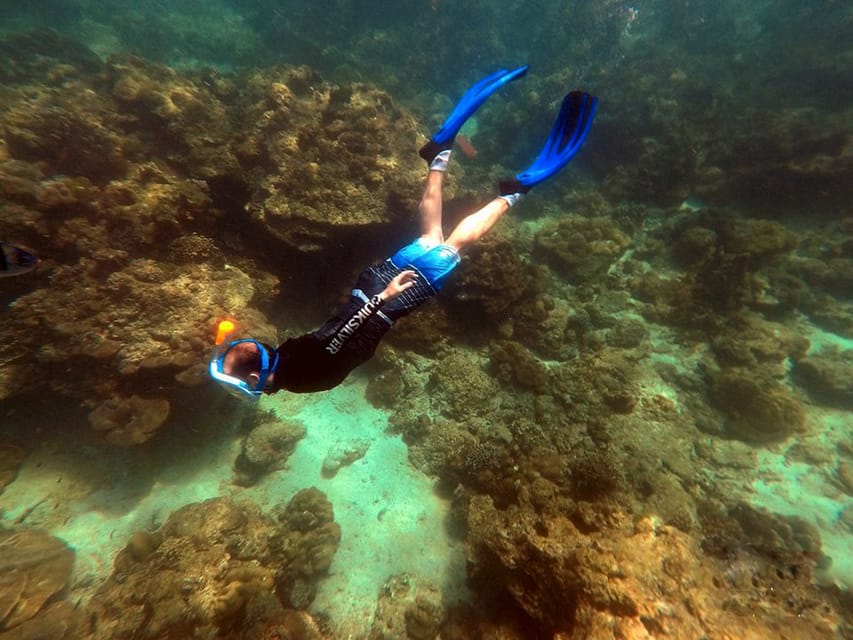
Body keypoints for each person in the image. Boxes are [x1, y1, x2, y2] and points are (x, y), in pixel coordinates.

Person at [209, 65, 597, 399]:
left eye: (240, 387)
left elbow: (340, 336)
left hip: (386, 299)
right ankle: (439, 155)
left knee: (454, 247)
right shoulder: (284, 354)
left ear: (257, 380)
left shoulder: (298, 377)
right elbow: (318, 336)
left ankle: (515, 193)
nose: (239, 392)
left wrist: (385, 299)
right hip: (372, 284)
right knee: (430, 236)